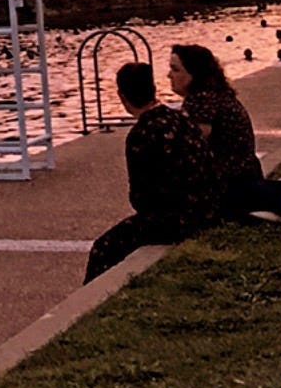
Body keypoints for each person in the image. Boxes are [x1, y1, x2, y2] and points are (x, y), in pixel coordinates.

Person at [84, 62, 217, 283]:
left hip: (177, 220)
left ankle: (90, 298)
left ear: (122, 96)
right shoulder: (181, 119)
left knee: (103, 249)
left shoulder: (142, 134)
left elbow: (140, 198)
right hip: (208, 207)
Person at [168, 43, 264, 218]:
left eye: (175, 70)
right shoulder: (216, 95)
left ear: (193, 73)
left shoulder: (201, 100)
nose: (169, 75)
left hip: (230, 186)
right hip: (246, 178)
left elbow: (193, 148)